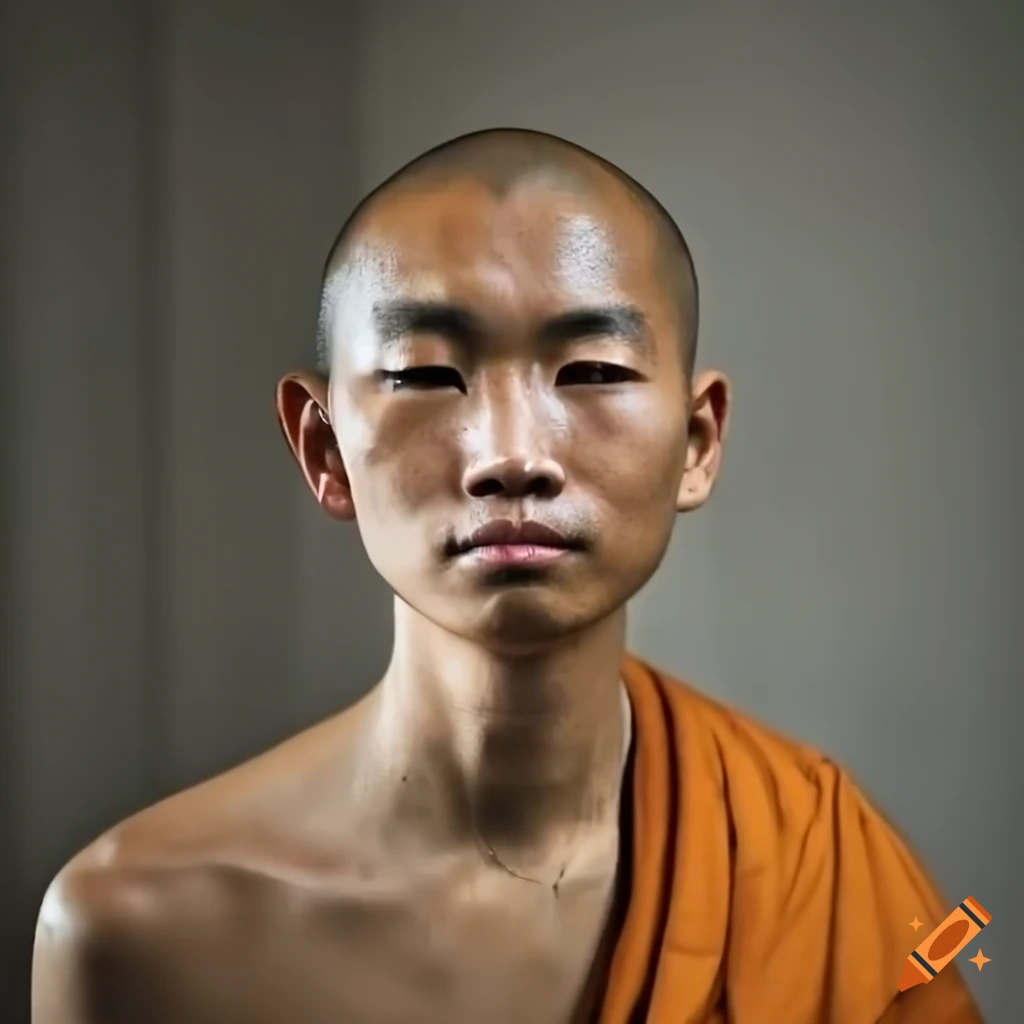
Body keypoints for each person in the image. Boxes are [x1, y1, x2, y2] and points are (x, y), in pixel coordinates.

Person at [31, 129, 983, 1024]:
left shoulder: (811, 861)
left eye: (593, 371)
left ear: (696, 442)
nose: (512, 455)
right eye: (425, 374)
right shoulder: (140, 930)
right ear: (324, 450)